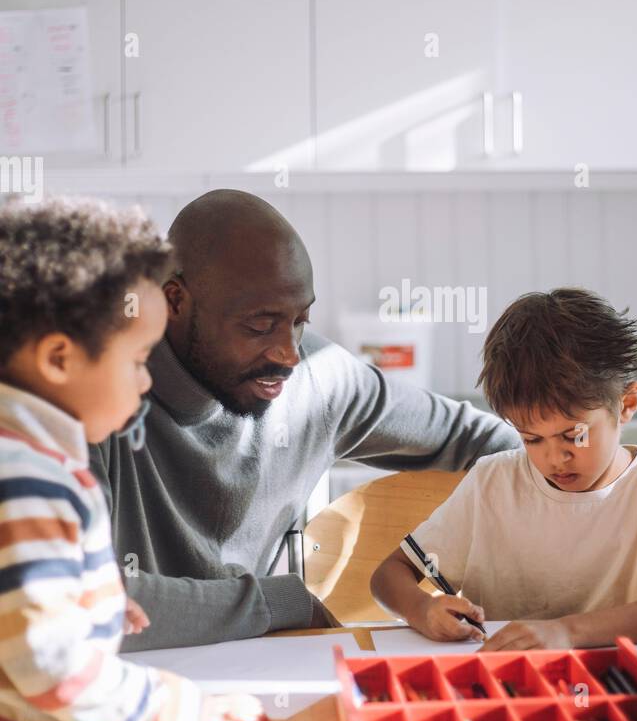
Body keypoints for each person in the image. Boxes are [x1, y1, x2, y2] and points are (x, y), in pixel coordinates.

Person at [90, 189, 520, 652]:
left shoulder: (320, 378)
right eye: (259, 326)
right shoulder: (89, 398)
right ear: (175, 300)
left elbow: (500, 442)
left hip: (267, 673)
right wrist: (285, 604)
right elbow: (79, 603)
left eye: (300, 320)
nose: (289, 353)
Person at [0, 199, 268, 721]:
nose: (148, 382)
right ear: (59, 358)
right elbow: (50, 667)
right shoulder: (29, 478)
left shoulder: (26, 461)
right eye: (139, 359)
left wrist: (94, 594)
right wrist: (184, 709)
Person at [372, 287, 637, 650]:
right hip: (506, 681)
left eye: (573, 435)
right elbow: (389, 575)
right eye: (532, 439)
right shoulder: (493, 482)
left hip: (618, 681)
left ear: (627, 404)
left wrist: (566, 632)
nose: (554, 458)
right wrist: (424, 609)